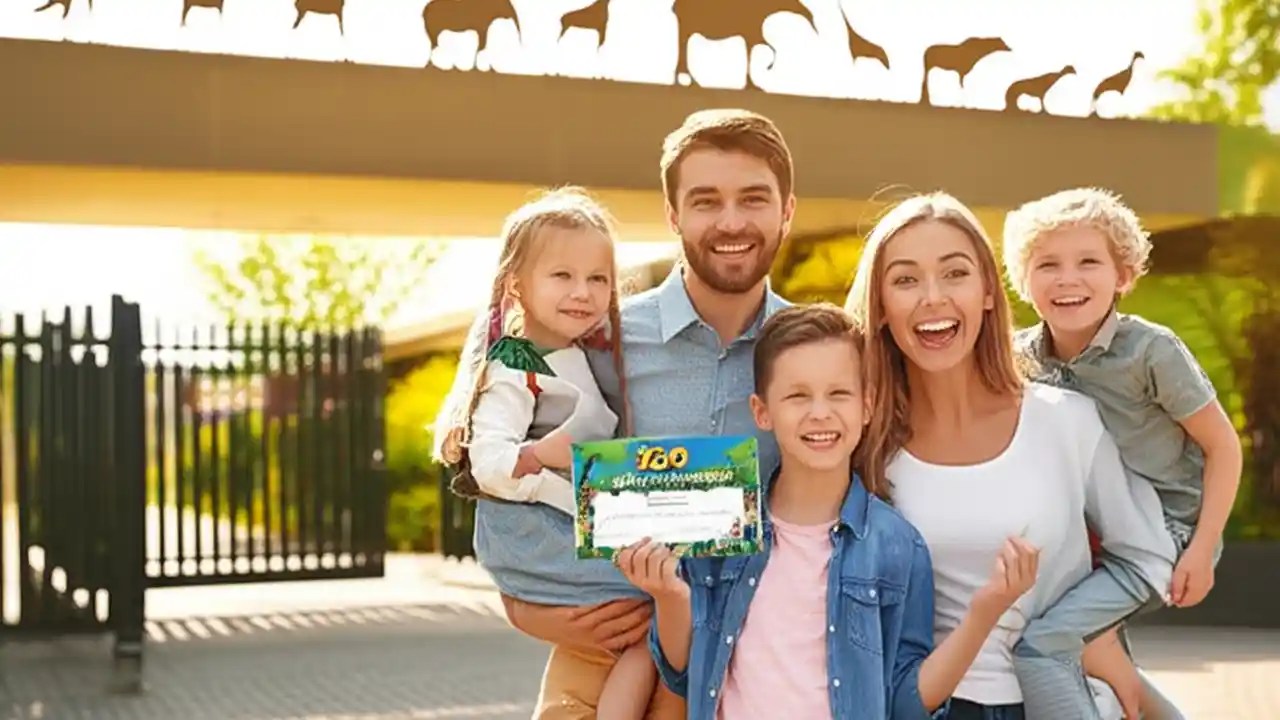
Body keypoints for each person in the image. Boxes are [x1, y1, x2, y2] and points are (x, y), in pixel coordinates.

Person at [497, 108, 797, 719]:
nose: (732, 222)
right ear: (672, 215)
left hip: (761, 674)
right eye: (706, 201)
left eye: (754, 199)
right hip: (606, 663)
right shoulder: (596, 341)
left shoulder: (816, 357)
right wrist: (532, 610)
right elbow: (511, 490)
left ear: (787, 210)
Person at [843, 192, 1180, 720]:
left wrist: (1086, 632)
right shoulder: (865, 450)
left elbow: (1147, 555)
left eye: (955, 273)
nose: (933, 297)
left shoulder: (1066, 419)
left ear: (986, 292)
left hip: (1061, 700)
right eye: (906, 280)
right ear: (881, 308)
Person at [616, 303, 1042, 719]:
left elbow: (908, 703)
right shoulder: (718, 524)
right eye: (797, 396)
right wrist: (669, 595)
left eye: (839, 394)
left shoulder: (896, 545)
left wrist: (986, 610)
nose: (820, 413)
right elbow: (683, 672)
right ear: (762, 412)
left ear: (867, 406)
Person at [1002, 187, 1242, 718]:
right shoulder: (1019, 356)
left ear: (1124, 276)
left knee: (1044, 646)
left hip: (1164, 536)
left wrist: (1202, 549)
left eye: (1089, 261)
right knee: (1097, 653)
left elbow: (1223, 447)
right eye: (1048, 265)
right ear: (1024, 281)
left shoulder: (1150, 352)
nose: (1067, 278)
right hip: (1090, 535)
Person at [431, 187, 659, 719]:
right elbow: (489, 465)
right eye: (562, 276)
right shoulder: (515, 365)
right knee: (664, 603)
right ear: (517, 284)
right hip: (537, 537)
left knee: (661, 614)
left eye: (597, 278)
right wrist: (544, 458)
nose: (582, 292)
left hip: (561, 526)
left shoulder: (573, 351)